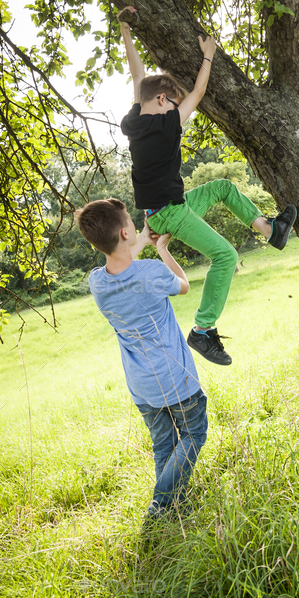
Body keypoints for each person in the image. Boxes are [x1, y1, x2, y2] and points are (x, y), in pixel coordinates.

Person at [117, 6, 297, 366]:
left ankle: (270, 230)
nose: (179, 108)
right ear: (164, 101)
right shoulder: (167, 124)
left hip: (163, 212)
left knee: (222, 187)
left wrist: (125, 29)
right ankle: (202, 330)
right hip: (172, 212)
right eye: (175, 103)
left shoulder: (136, 121)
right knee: (226, 255)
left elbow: (138, 74)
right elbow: (197, 93)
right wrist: (208, 57)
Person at [75, 196, 206, 521]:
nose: (135, 225)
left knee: (164, 446)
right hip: (176, 378)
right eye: (131, 224)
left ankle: (175, 507)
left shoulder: (98, 283)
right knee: (193, 435)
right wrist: (162, 250)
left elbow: (120, 264)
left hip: (142, 386)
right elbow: (184, 286)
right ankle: (160, 504)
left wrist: (138, 241)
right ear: (123, 233)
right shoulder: (152, 272)